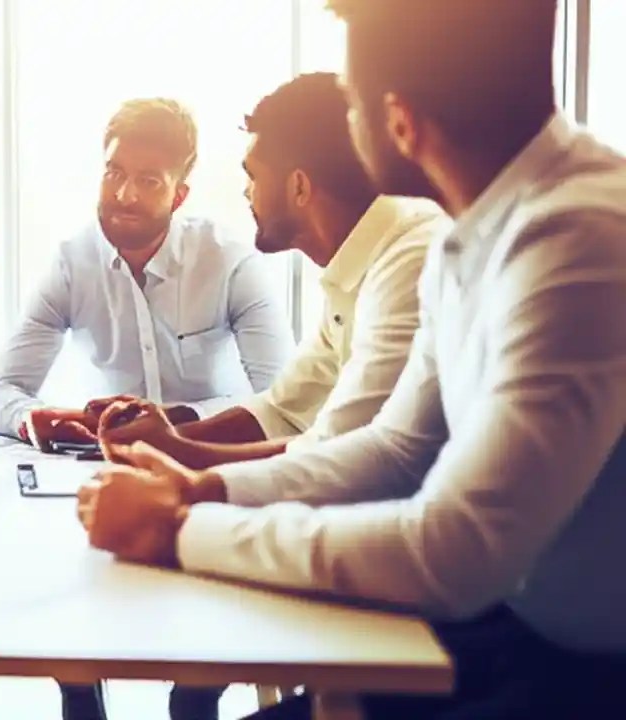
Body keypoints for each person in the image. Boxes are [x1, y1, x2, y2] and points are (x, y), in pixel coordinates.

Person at [78, 1, 626, 718]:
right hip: (512, 632)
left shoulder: (578, 238)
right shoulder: (475, 230)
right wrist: (201, 492)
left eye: (353, 104)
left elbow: (457, 549)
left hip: (586, 675)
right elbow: (395, 448)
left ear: (400, 123)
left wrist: (177, 531)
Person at [97, 73, 449, 479]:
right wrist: (152, 438)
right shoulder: (353, 269)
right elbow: (281, 409)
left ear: (299, 187)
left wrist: (181, 455)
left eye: (253, 176)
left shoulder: (409, 263)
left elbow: (346, 449)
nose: (247, 193)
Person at [0, 98, 294, 456]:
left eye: (148, 181)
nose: (125, 195)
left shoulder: (230, 263)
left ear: (178, 196)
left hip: (215, 461)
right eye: (114, 173)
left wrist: (179, 418)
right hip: (103, 468)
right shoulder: (72, 264)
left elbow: (284, 399)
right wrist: (31, 419)